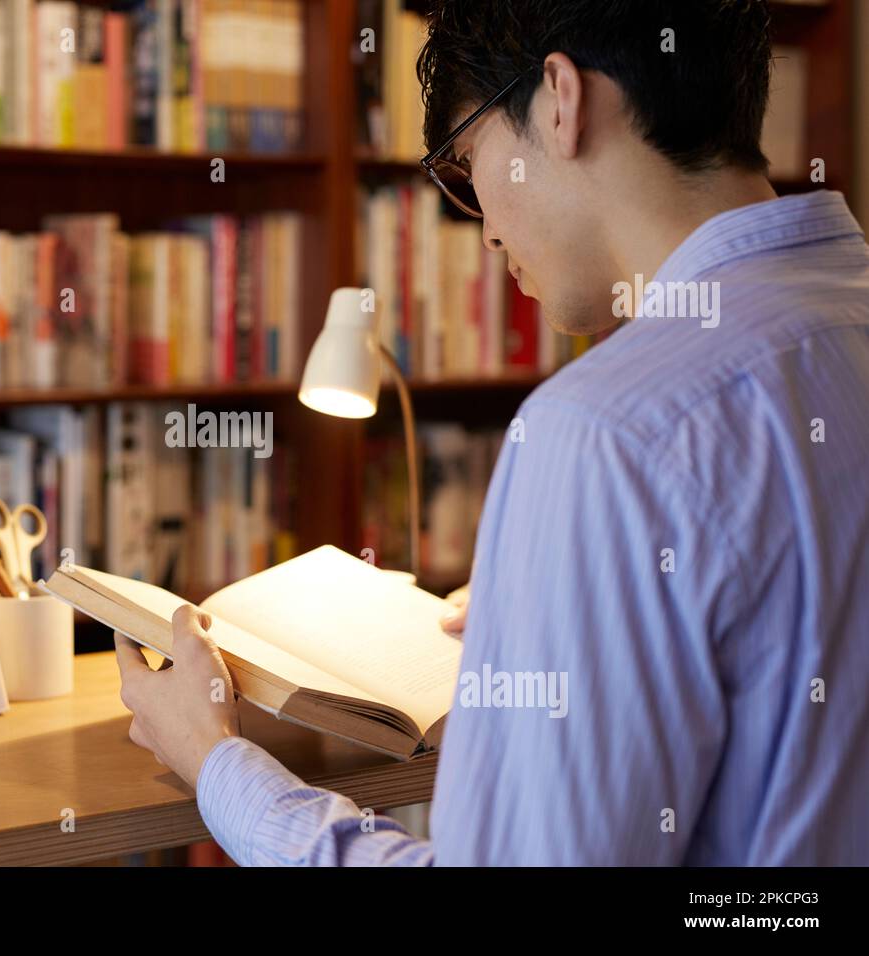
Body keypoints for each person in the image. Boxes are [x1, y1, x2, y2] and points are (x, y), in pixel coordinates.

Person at [114, 0, 869, 864]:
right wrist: (570, 611)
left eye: (468, 163)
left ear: (558, 98)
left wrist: (216, 764)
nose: (487, 230)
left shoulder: (604, 434)